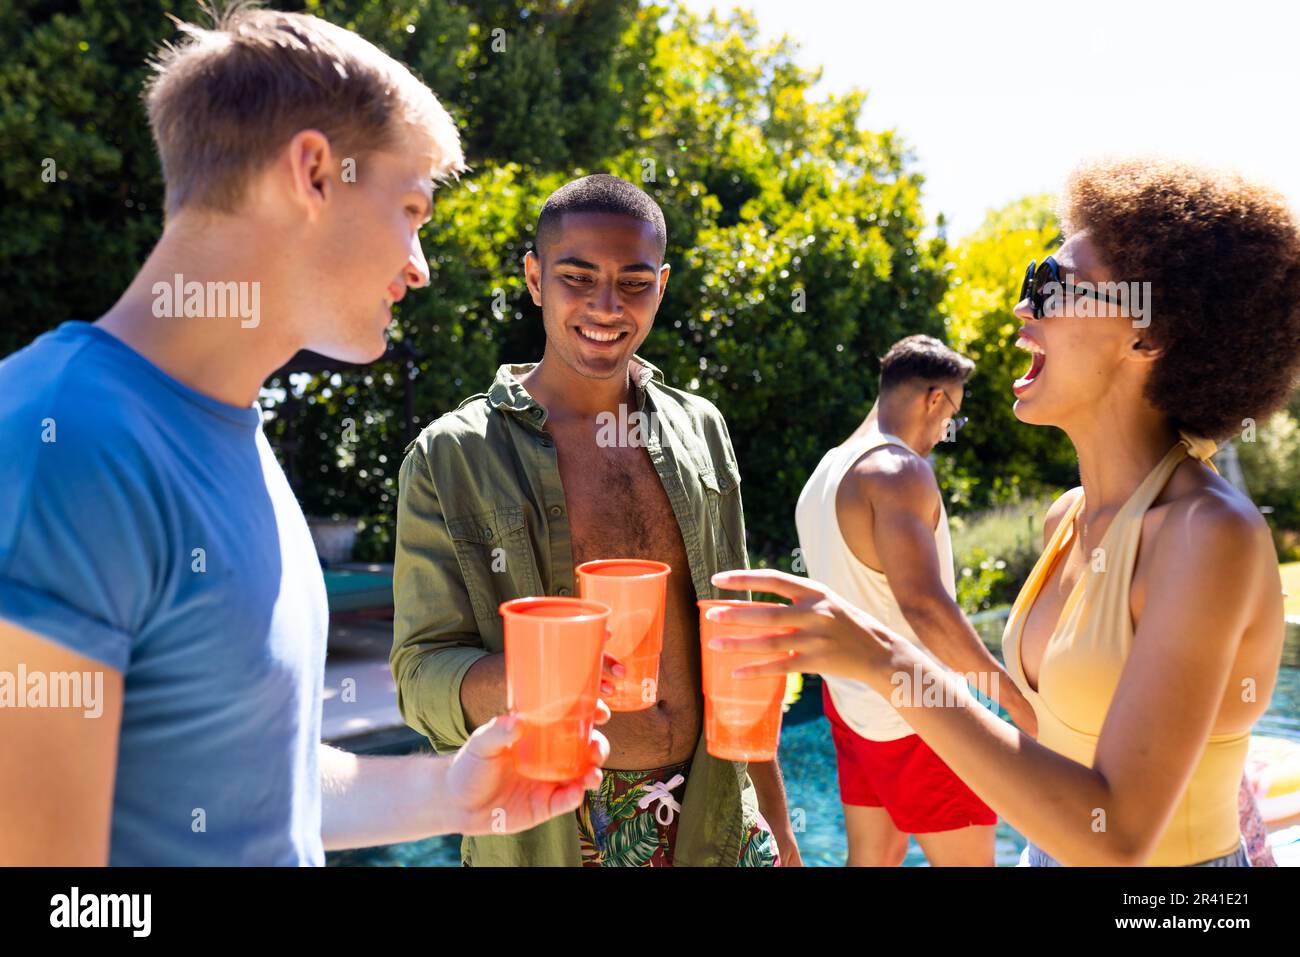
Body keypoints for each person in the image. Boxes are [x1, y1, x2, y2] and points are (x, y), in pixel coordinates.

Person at [0, 5, 610, 866]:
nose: (419, 265)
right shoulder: (63, 445)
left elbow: (245, 787)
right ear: (315, 172)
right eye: (410, 208)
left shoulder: (235, 440)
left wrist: (451, 792)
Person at [708, 157, 1300, 866]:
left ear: (1148, 334)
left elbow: (1118, 835)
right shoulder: (1068, 519)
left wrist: (884, 659)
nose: (1025, 308)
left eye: (1051, 285)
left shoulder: (1210, 535)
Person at [392, 173, 799, 866]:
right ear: (534, 277)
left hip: (718, 814)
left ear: (662, 285)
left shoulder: (702, 430)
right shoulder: (452, 455)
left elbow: (737, 643)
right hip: (554, 828)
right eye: (577, 277)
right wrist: (545, 674)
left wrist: (780, 833)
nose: (607, 306)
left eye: (634, 283)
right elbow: (419, 674)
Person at [796, 334, 1036, 866]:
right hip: (920, 714)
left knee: (873, 855)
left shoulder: (825, 472)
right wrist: (1015, 701)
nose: (948, 429)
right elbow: (924, 607)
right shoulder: (898, 470)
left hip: (851, 701)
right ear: (934, 398)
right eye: (954, 414)